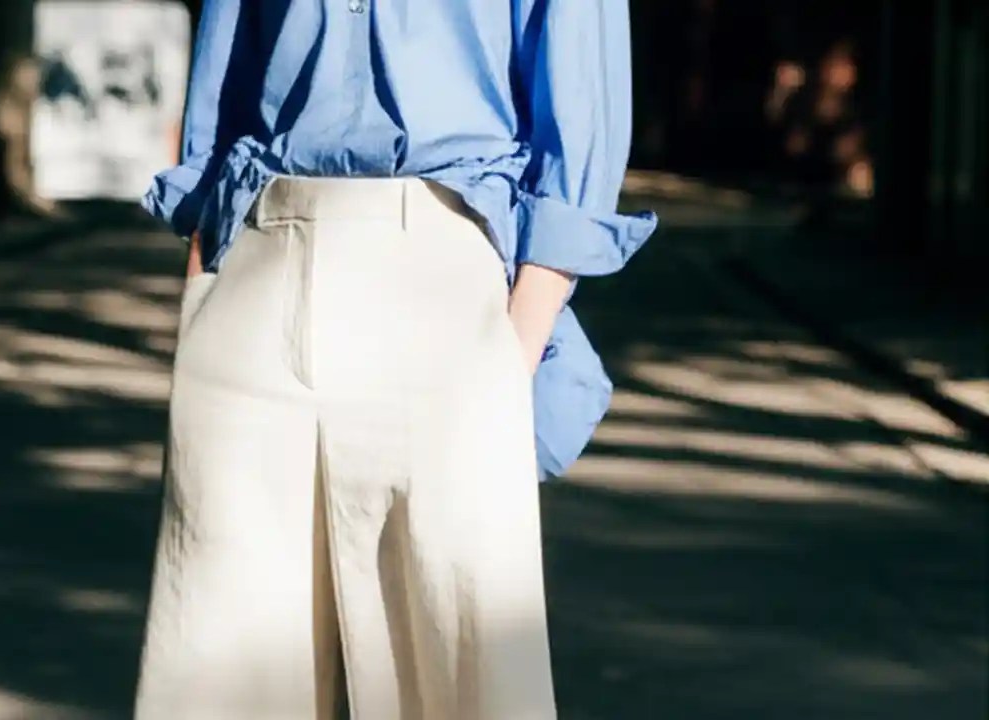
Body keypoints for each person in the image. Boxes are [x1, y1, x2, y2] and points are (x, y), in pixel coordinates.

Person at [135, 1, 656, 717]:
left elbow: (581, 119)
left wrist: (509, 358)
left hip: (445, 279)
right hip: (258, 273)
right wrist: (202, 296)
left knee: (468, 687)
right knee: (217, 687)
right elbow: (224, 91)